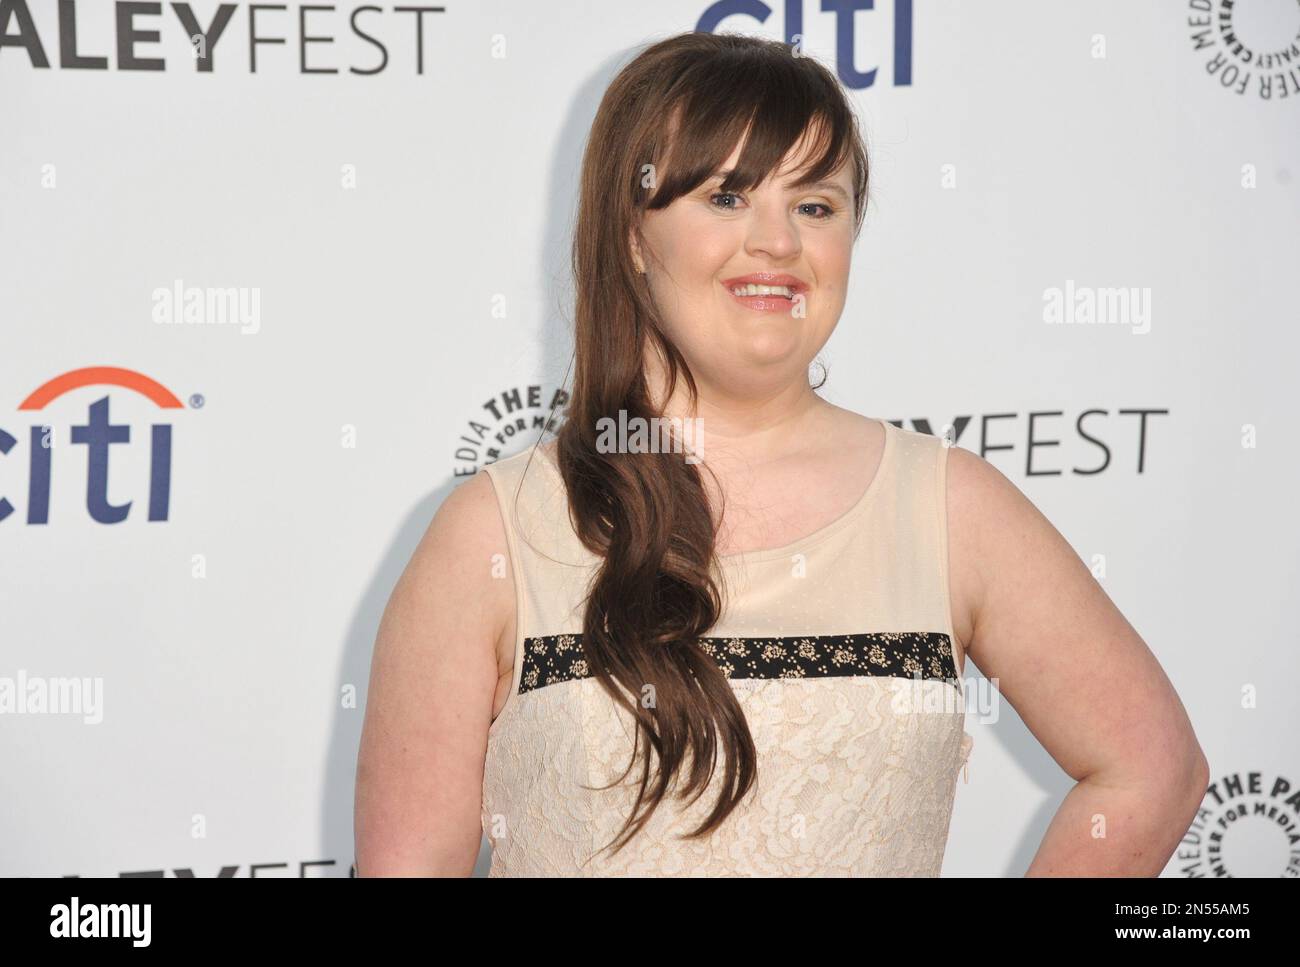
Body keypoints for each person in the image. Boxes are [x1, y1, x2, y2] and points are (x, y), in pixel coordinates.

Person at [354, 32, 1208, 877]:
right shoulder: (493, 534)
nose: (779, 242)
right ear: (632, 235)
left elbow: (1153, 769)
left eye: (815, 205)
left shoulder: (950, 507)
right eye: (727, 197)